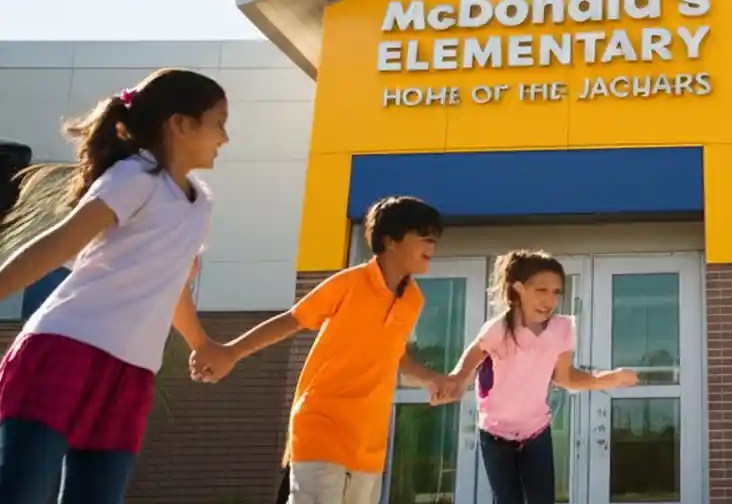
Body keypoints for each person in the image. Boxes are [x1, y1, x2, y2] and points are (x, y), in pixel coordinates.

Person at [0, 68, 231, 503]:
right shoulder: (134, 177)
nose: (225, 137)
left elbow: (173, 283)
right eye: (218, 122)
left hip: (131, 375)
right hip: (63, 351)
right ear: (180, 124)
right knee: (22, 494)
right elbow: (58, 243)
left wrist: (201, 342)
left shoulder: (201, 203)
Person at [190, 195, 456, 504]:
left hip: (369, 444)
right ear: (391, 240)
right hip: (322, 427)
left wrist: (432, 379)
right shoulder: (349, 284)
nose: (432, 248)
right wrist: (231, 352)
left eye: (434, 241)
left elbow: (399, 357)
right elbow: (292, 320)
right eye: (424, 238)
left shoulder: (413, 301)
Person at [438, 250, 638, 504]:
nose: (550, 300)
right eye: (542, 290)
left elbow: (565, 378)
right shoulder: (500, 328)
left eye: (556, 292)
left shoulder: (562, 329)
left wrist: (611, 378)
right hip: (495, 435)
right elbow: (471, 359)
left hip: (536, 432)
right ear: (520, 288)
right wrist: (455, 380)